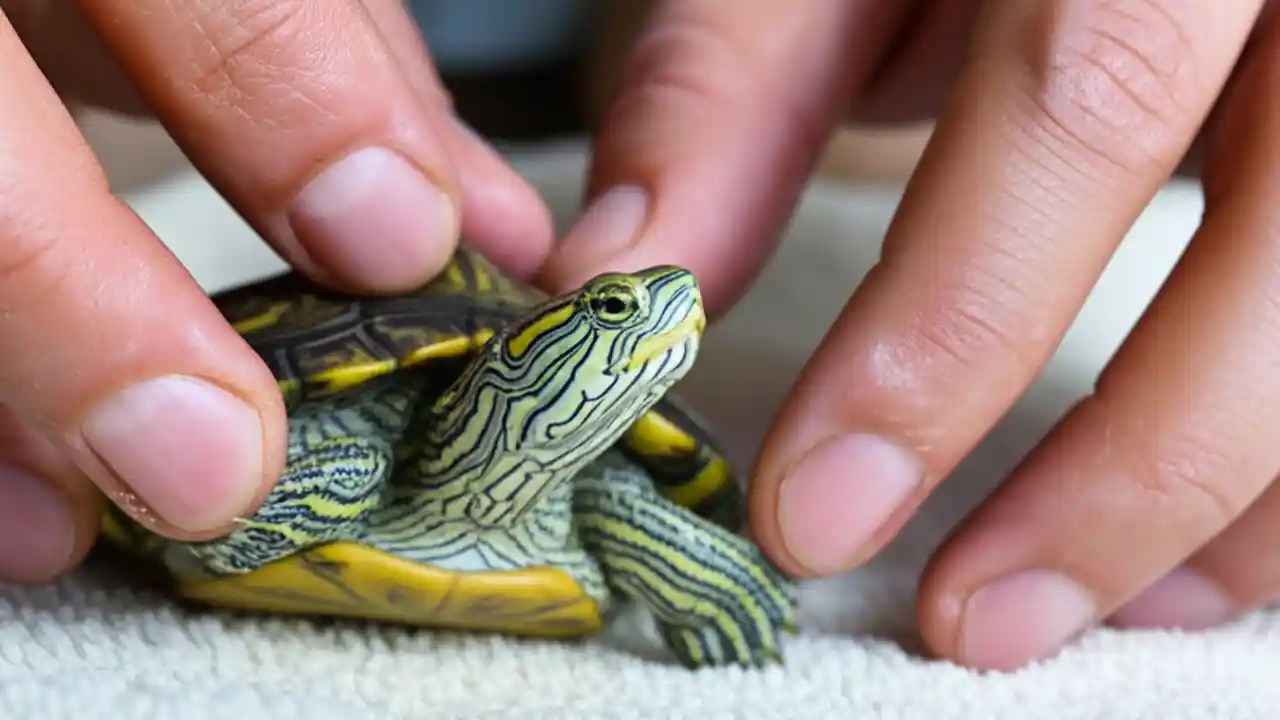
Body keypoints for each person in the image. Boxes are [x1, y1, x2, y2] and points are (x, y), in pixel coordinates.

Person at [2, 0, 1276, 673]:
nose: (655, 312)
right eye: (612, 312)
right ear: (522, 358)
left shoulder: (595, 511)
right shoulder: (352, 456)